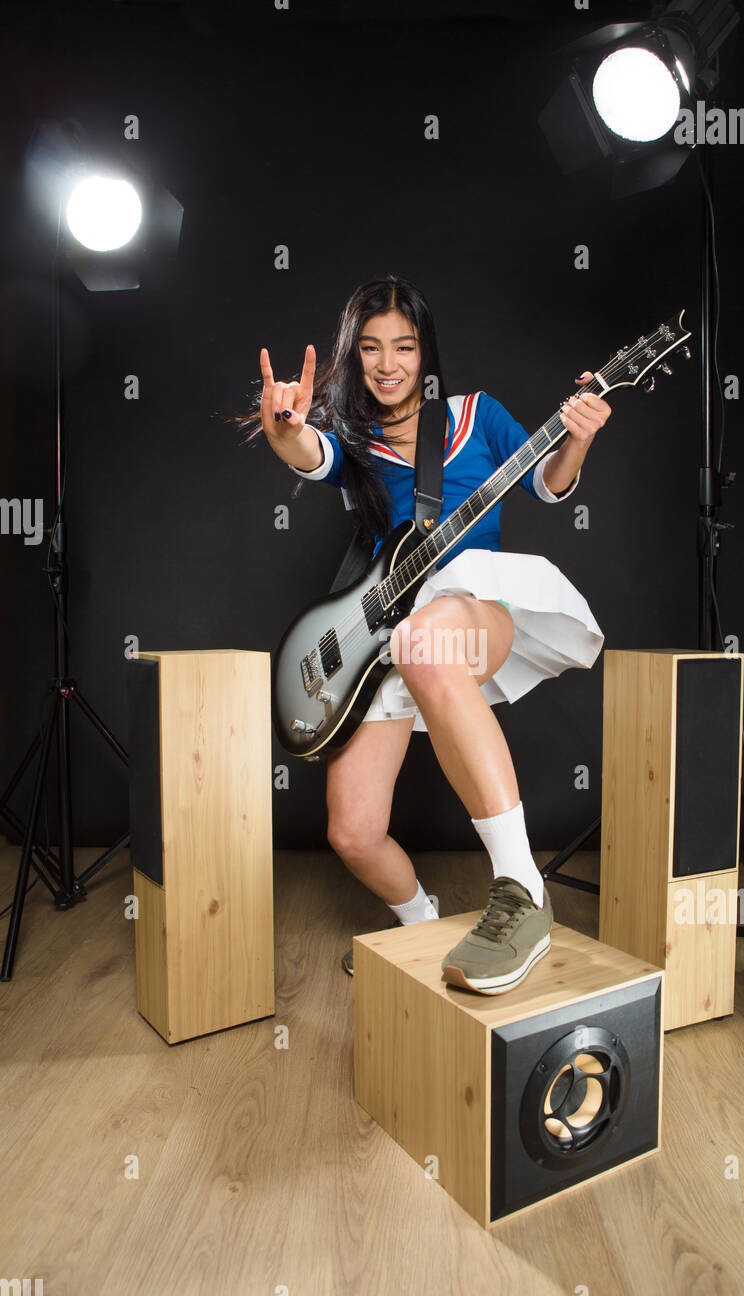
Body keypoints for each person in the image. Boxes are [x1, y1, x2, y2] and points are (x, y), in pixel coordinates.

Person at [249, 274, 611, 993]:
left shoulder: (478, 414)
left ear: (425, 351)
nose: (389, 365)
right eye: (373, 348)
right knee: (351, 832)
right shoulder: (355, 442)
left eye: (405, 347)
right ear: (354, 355)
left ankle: (522, 889)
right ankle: (420, 923)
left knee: (429, 638)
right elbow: (308, 453)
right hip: (385, 640)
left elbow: (547, 484)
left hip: (475, 603)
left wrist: (578, 440)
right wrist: (281, 428)